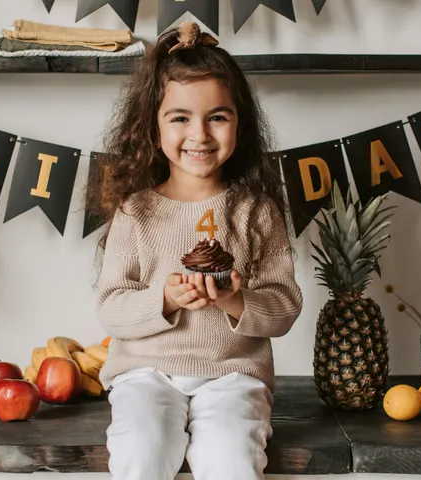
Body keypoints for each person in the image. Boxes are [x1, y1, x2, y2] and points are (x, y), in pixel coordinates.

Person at [88, 20, 303, 480]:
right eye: (180, 117)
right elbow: (110, 307)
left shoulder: (256, 213)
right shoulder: (135, 212)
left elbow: (284, 307)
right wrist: (163, 299)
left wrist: (234, 300)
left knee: (231, 461)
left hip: (233, 373)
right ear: (154, 126)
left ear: (239, 126)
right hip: (144, 373)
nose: (199, 134)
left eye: (217, 117)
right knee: (142, 453)